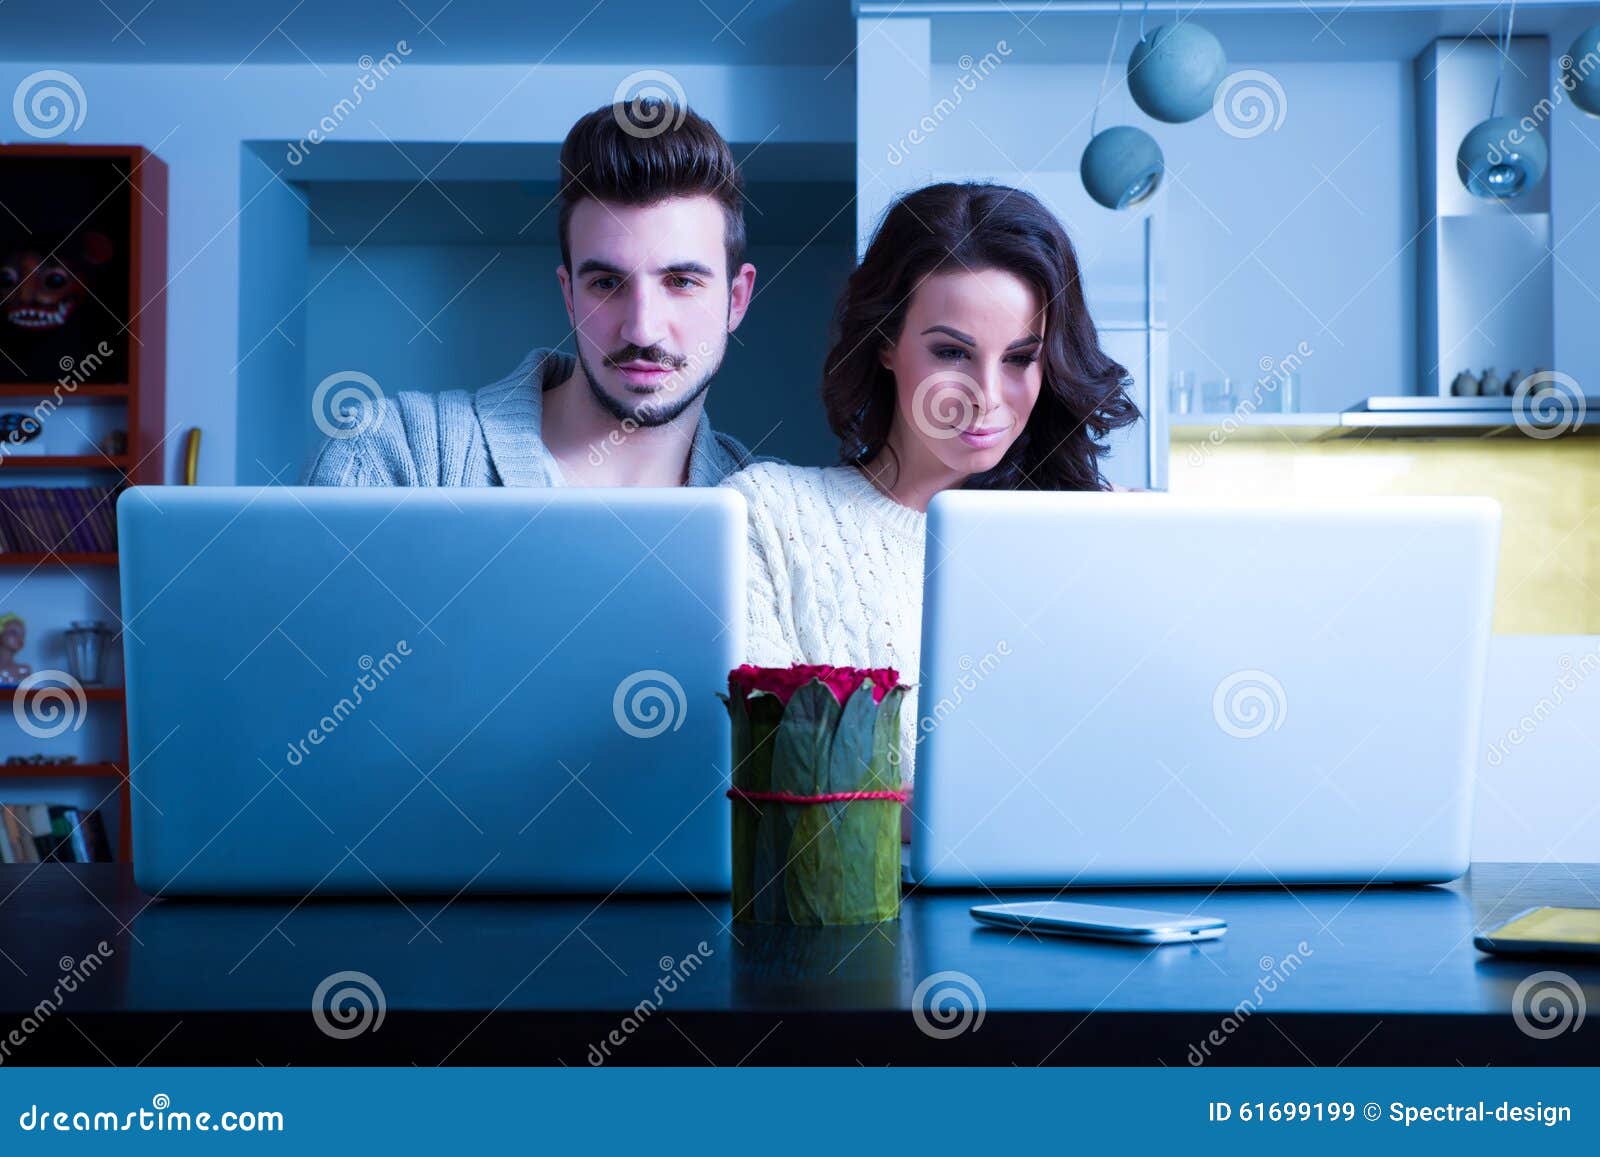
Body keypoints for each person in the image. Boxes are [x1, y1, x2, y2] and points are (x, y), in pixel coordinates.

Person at [721, 181, 1141, 798]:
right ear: (886, 342)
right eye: (952, 352)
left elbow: (1130, 770)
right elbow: (779, 783)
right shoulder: (769, 515)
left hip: (1069, 892)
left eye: (1020, 358)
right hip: (866, 896)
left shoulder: (1090, 532)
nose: (988, 398)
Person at [302, 99, 759, 488]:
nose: (642, 327)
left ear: (736, 300)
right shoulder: (392, 456)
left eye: (681, 283)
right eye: (606, 284)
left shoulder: (779, 516)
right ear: (569, 295)